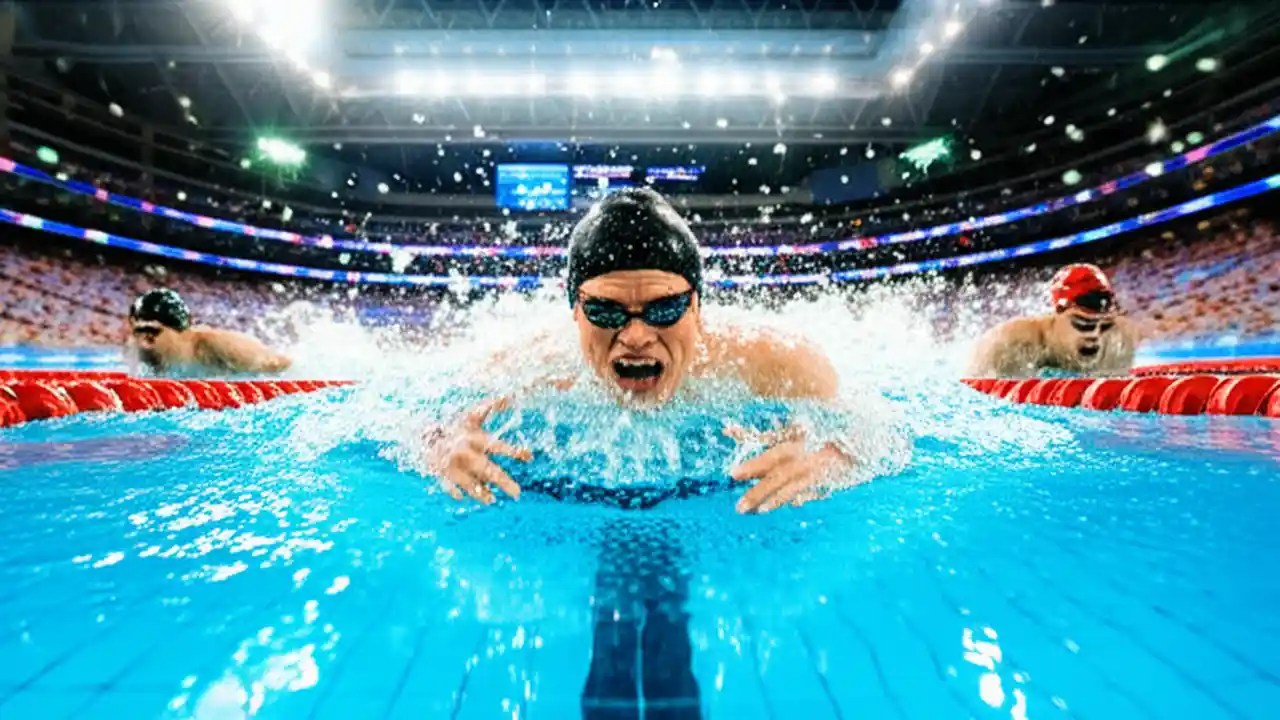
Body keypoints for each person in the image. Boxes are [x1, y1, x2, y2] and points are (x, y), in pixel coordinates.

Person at [423, 188, 875, 514]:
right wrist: (442, 446)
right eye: (606, 311)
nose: (636, 336)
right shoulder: (527, 368)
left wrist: (831, 459)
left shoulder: (777, 362)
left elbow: (879, 429)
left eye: (664, 309)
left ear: (697, 308)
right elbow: (416, 420)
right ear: (575, 312)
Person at [967, 263, 1141, 378]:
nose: (1095, 336)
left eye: (1104, 326)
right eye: (1082, 324)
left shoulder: (1118, 342)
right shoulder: (1014, 343)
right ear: (1058, 312)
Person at [127, 289, 292, 375]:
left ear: (181, 330)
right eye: (137, 332)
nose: (143, 344)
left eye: (151, 333)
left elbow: (281, 366)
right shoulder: (137, 351)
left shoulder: (220, 346)